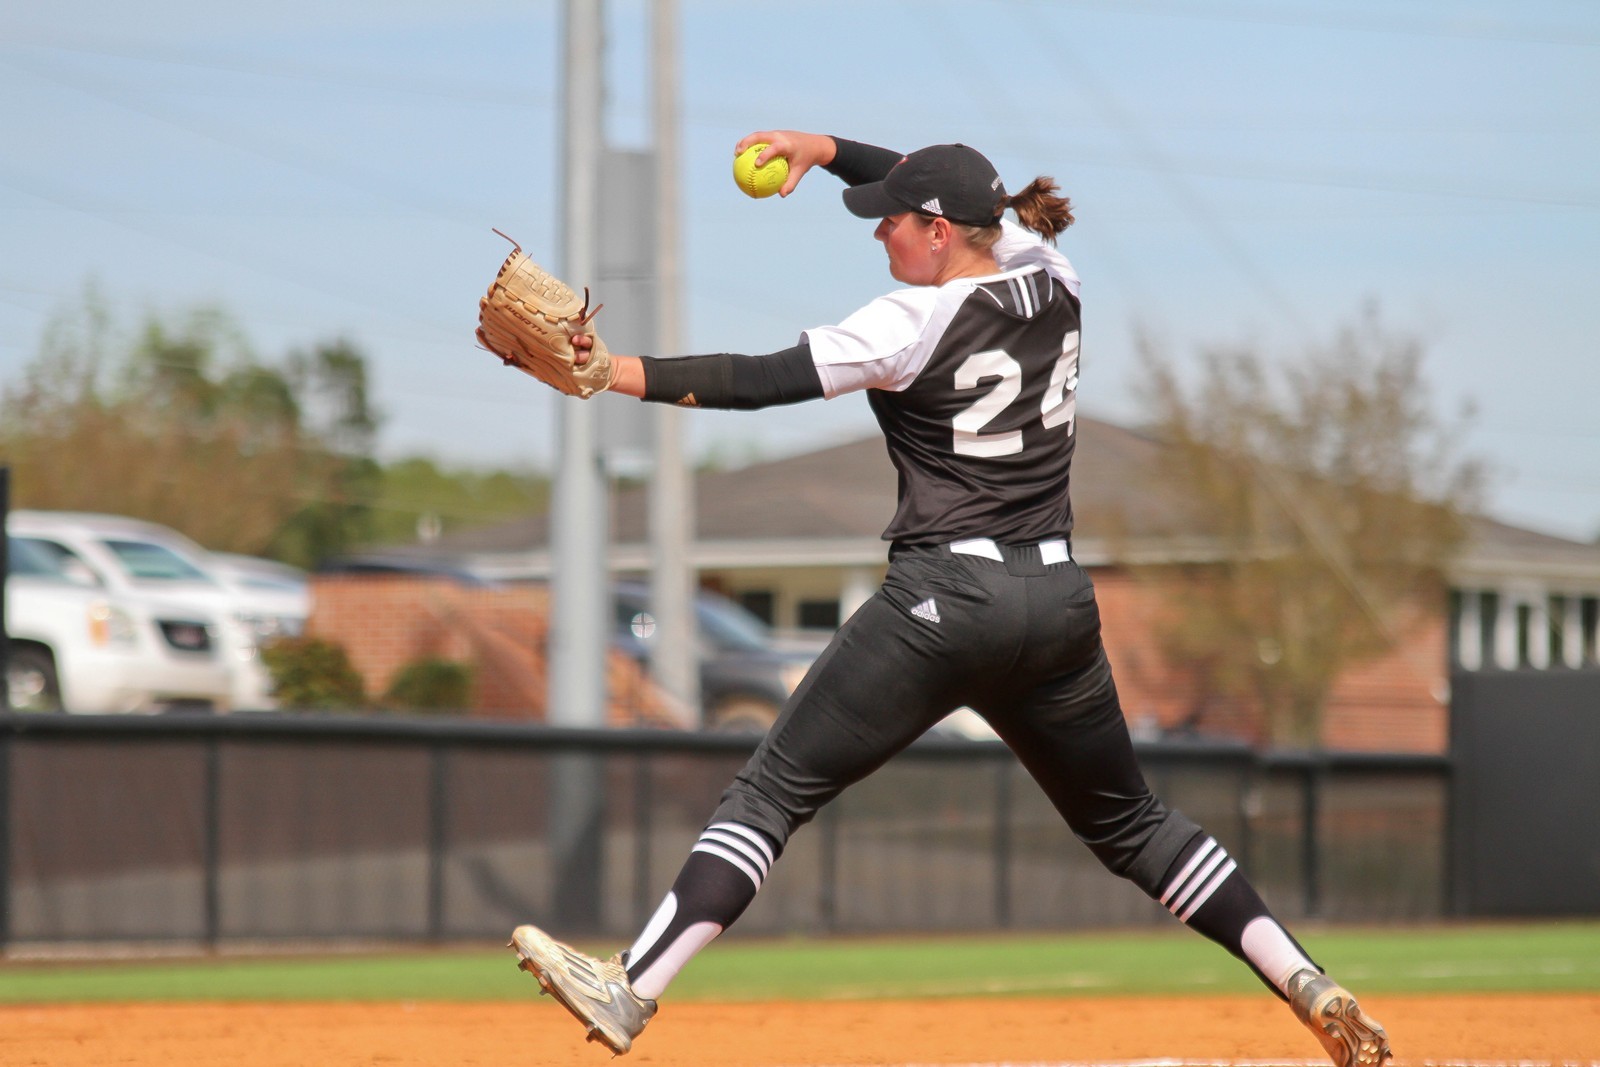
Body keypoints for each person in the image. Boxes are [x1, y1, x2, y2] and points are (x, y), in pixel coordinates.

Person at [508, 129, 1392, 1067]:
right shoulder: (1055, 275)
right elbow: (950, 194)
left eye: (891, 220)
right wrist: (825, 149)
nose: (878, 231)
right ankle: (1303, 975)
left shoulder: (905, 323)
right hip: (1053, 601)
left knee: (771, 789)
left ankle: (633, 985)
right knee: (1133, 823)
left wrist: (611, 372)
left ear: (938, 231)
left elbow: (758, 380)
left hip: (946, 598)